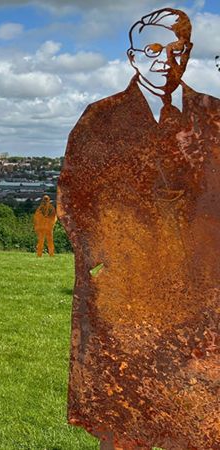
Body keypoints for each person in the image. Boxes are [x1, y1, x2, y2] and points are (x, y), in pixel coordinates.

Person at [58, 8, 220, 447]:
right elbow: (75, 197)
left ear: (188, 53)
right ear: (133, 56)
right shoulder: (100, 119)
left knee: (200, 423)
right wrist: (102, 263)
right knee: (124, 419)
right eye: (152, 49)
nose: (164, 60)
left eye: (176, 49)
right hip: (124, 292)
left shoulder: (215, 117)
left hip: (204, 294)